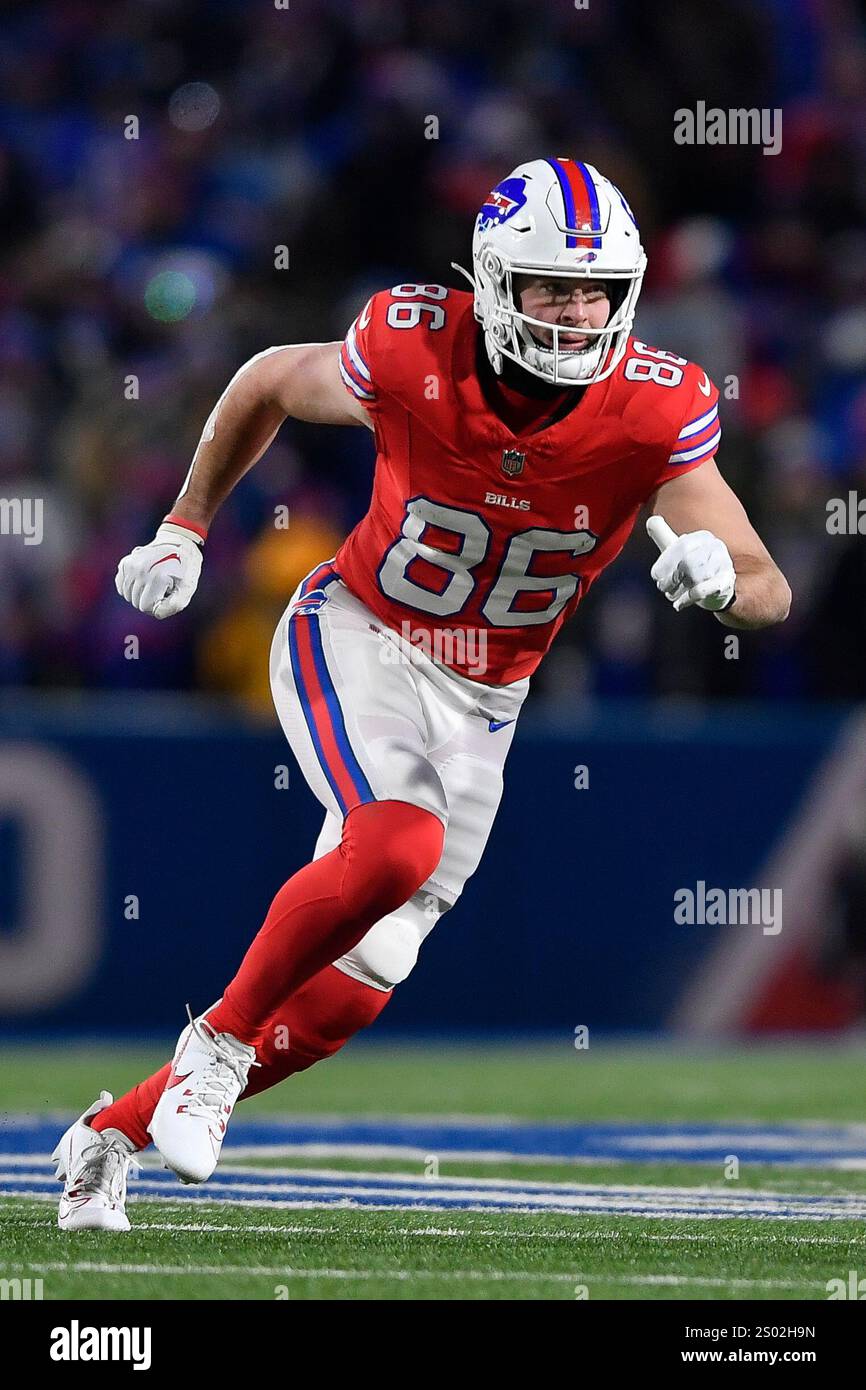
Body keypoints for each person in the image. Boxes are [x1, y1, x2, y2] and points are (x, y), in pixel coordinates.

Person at [53, 158, 791, 1230]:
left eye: (593, 290)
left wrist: (724, 588)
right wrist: (185, 525)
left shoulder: (652, 406)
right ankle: (214, 1043)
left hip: (487, 699)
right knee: (391, 841)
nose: (574, 310)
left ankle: (105, 1137)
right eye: (547, 285)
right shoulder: (413, 343)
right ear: (493, 281)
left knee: (363, 978)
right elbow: (266, 375)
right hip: (358, 630)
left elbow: (763, 583)